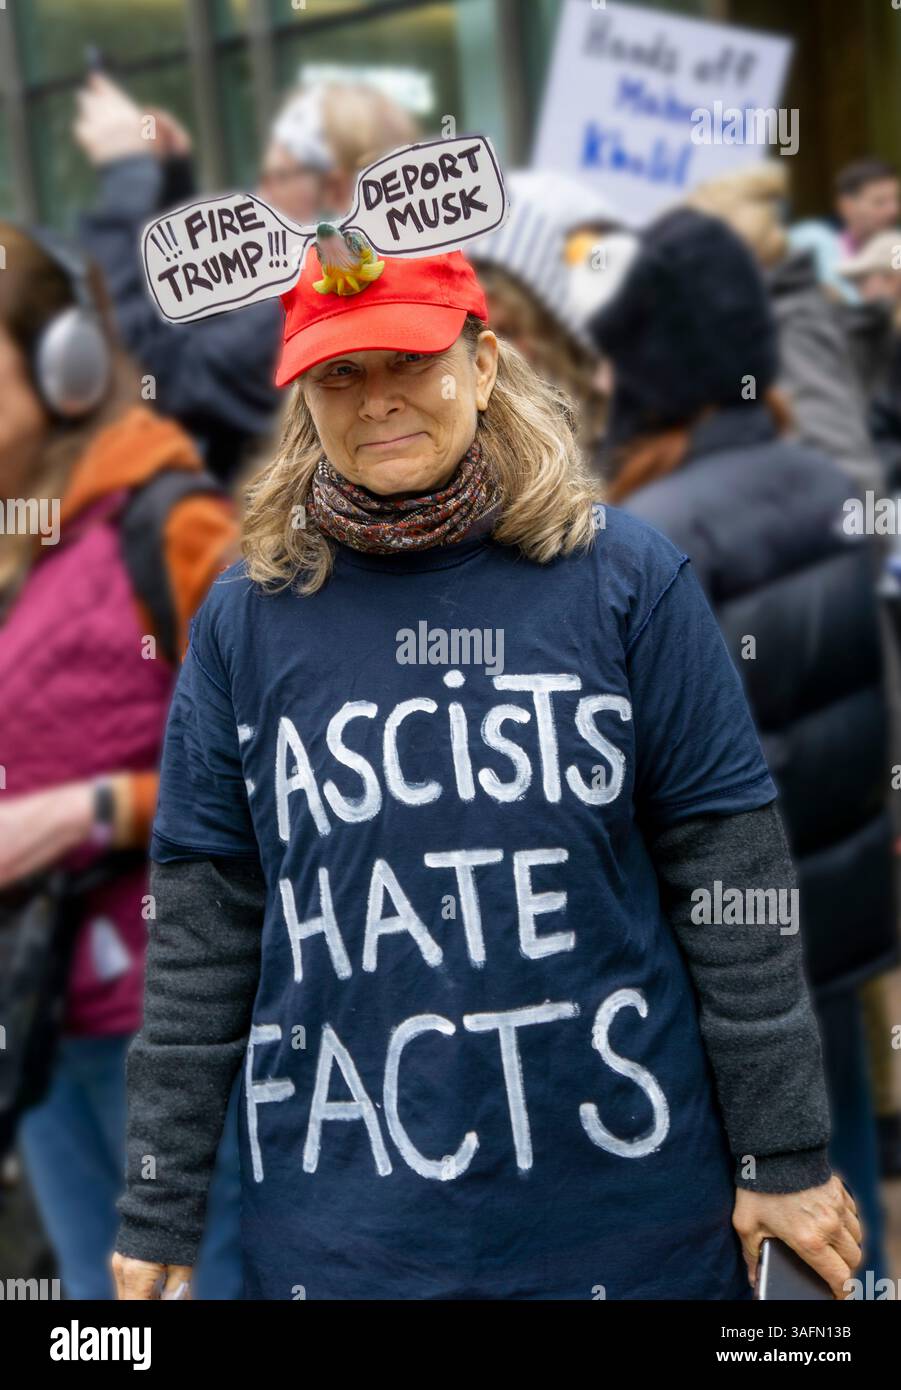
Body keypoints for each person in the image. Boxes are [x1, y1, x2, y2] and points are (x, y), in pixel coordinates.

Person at [111, 234, 859, 1301]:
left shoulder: (626, 579)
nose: (377, 399)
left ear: (485, 363)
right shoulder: (244, 623)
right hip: (347, 1244)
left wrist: (781, 1161)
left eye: (410, 360)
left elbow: (729, 885)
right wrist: (160, 1202)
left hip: (627, 1229)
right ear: (304, 400)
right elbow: (201, 936)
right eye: (339, 374)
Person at [589, 207, 896, 1278]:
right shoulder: (825, 483)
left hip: (719, 950)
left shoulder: (650, 533)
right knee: (841, 1178)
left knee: (760, 1218)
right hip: (840, 903)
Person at [0, 224, 241, 1298]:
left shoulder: (170, 517)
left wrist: (92, 809)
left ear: (64, 366)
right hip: (39, 1024)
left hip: (184, 1028)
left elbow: (280, 756)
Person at [73, 75, 417, 483]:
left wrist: (127, 176)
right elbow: (203, 314)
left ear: (336, 190)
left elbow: (142, 360)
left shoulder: (304, 307)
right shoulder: (393, 276)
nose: (261, 193)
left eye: (278, 177)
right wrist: (172, 182)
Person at [791, 157, 900, 304]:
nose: (894, 210)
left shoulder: (897, 249)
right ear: (846, 206)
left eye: (896, 200)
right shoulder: (817, 250)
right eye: (879, 202)